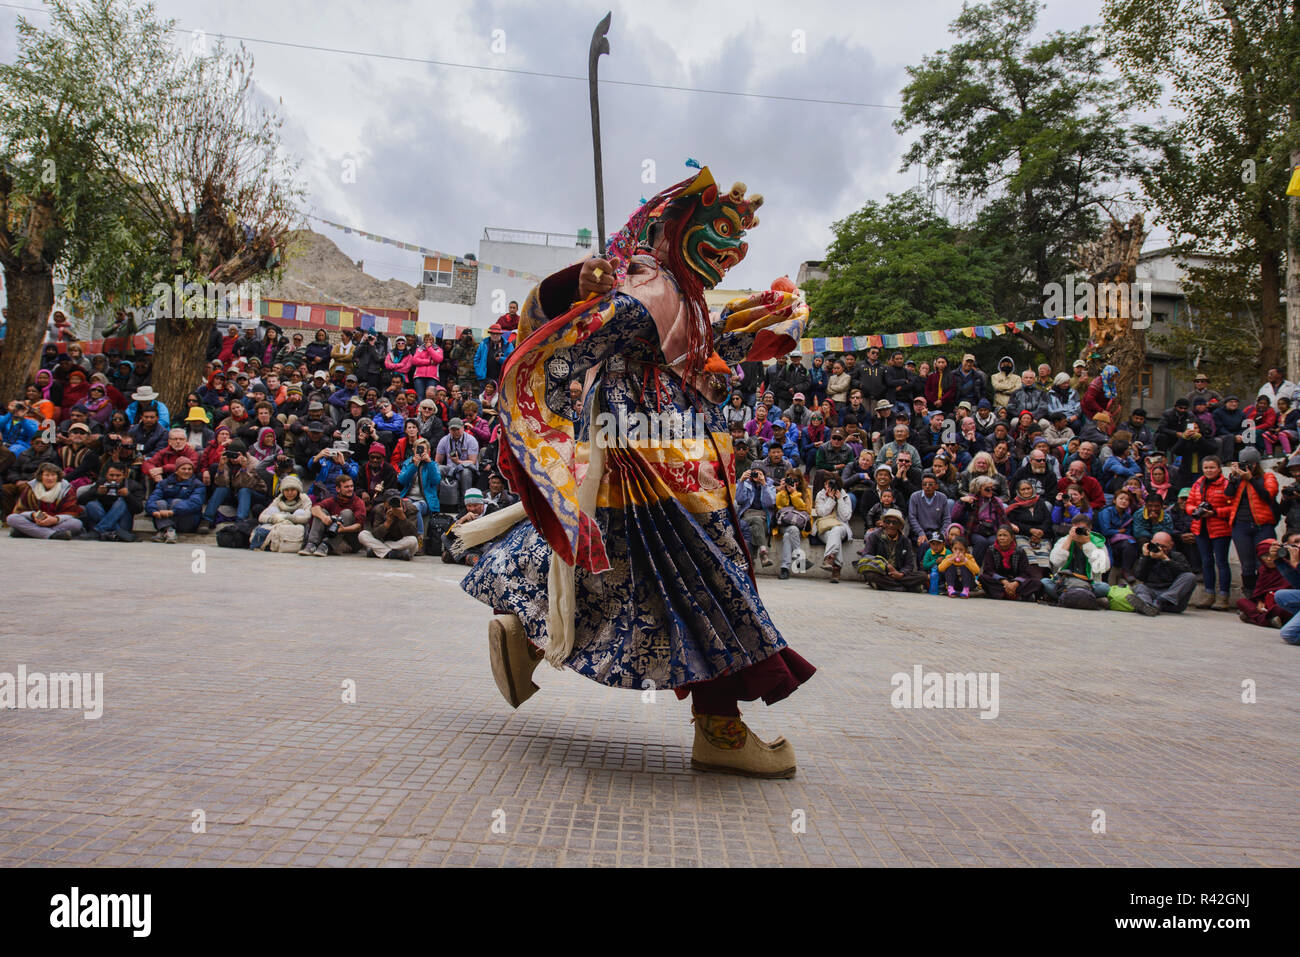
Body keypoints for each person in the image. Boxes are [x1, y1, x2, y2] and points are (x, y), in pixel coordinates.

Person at [454, 168, 814, 778]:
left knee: (629, 568)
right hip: (655, 459)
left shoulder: (679, 293)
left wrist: (757, 320)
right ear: (676, 228)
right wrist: (576, 286)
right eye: (720, 232)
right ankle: (720, 730)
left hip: (664, 456)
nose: (732, 253)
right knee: (709, 579)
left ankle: (529, 632)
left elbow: (687, 349)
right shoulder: (652, 290)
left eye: (739, 242)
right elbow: (559, 333)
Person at [1223, 447, 1279, 600]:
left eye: (1251, 464)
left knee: (1264, 563)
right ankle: (1250, 598)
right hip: (1241, 526)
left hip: (1263, 525)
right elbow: (1227, 495)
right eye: (1244, 464)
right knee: (1247, 565)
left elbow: (1268, 496)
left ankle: (1265, 598)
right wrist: (1233, 478)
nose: (1248, 467)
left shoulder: (1267, 477)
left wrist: (1251, 480)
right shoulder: (1238, 479)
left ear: (1256, 464)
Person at [1184, 456, 1234, 610]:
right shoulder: (1198, 484)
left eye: (1212, 467)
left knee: (1221, 562)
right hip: (1201, 528)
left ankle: (1224, 596)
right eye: (1206, 468)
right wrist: (1196, 511)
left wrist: (1215, 512)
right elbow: (1189, 504)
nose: (1209, 470)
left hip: (1220, 529)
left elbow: (1233, 507)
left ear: (1219, 468)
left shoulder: (1227, 484)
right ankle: (1209, 594)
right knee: (1206, 562)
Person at [1126, 532, 1199, 616]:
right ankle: (1147, 606)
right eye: (1157, 545)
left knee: (1190, 576)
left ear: (1171, 545)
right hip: (1153, 593)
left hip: (1172, 600)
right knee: (1139, 587)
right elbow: (1139, 576)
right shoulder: (1148, 556)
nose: (1160, 548)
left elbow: (1185, 572)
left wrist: (1166, 559)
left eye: (1163, 546)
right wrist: (1145, 558)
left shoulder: (1176, 556)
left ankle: (1158, 602)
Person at [5, 462, 82, 539]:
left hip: (57, 521)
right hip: (35, 520)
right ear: (40, 476)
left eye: (53, 475)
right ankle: (53, 534)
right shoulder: (31, 488)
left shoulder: (67, 489)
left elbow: (71, 513)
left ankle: (30, 533)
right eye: (47, 475)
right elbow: (20, 510)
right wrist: (34, 515)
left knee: (76, 524)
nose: (50, 478)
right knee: (12, 518)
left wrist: (55, 519)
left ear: (58, 476)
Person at [1046, 517, 1111, 607]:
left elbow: (1102, 568)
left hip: (1089, 585)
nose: (1079, 532)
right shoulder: (1064, 540)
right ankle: (1089, 599)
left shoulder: (1097, 542)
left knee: (1104, 587)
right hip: (1065, 584)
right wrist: (1069, 540)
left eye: (1082, 529)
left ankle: (1065, 598)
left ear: (1090, 529)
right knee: (1045, 582)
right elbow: (1056, 562)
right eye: (1076, 529)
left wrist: (1087, 544)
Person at [856, 509, 927, 591]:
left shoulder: (905, 541)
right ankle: (905, 588)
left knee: (923, 576)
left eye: (895, 523)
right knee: (870, 574)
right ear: (883, 523)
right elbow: (866, 557)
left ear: (900, 526)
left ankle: (886, 585)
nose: (891, 525)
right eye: (888, 522)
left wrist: (901, 574)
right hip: (881, 572)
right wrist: (885, 566)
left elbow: (909, 564)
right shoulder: (874, 536)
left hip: (899, 573)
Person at [300, 473, 365, 557]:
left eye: (351, 486)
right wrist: (324, 518)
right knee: (321, 511)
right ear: (338, 489)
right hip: (334, 535)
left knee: (346, 513)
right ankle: (312, 544)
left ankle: (326, 546)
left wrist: (344, 529)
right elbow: (314, 508)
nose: (350, 489)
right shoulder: (333, 500)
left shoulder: (358, 502)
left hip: (351, 539)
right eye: (346, 487)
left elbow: (359, 526)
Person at [78, 461, 143, 541]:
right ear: (106, 475)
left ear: (124, 475)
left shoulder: (133, 486)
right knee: (92, 504)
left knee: (121, 502)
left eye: (118, 475)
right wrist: (96, 493)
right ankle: (117, 533)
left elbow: (139, 509)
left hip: (123, 521)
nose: (114, 478)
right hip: (105, 519)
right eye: (111, 475)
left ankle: (98, 530)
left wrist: (128, 496)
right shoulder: (101, 483)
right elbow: (81, 500)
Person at [146, 458, 205, 542]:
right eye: (183, 469)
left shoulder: (198, 484)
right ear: (176, 471)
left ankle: (163, 530)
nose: (187, 471)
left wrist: (172, 511)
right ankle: (169, 530)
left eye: (190, 469)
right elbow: (152, 498)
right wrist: (153, 511)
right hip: (164, 516)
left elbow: (195, 503)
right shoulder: (164, 483)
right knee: (160, 503)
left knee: (177, 502)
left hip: (187, 520)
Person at [979, 524, 1042, 602]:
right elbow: (989, 570)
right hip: (1000, 582)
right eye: (1000, 535)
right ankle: (1013, 594)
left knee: (1036, 582)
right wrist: (1004, 582)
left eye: (1005, 535)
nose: (1002, 538)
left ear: (1012, 537)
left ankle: (1006, 593)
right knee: (983, 578)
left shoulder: (1020, 551)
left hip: (1016, 582)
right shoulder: (991, 550)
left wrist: (1015, 583)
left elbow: (1025, 572)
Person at [251, 474, 312, 552]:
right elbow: (262, 516)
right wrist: (275, 519)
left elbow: (307, 517)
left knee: (300, 512)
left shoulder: (304, 499)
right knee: (273, 510)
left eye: (293, 490)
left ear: (298, 490)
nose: (290, 493)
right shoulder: (278, 500)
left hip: (294, 529)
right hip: (277, 525)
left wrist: (287, 517)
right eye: (286, 490)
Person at [358, 490, 420, 560]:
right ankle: (395, 554)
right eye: (390, 502)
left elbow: (413, 533)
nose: (392, 505)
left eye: (396, 501)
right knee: (363, 535)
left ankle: (378, 551)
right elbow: (375, 534)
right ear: (385, 504)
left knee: (413, 541)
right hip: (384, 540)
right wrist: (387, 524)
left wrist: (402, 518)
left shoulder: (410, 509)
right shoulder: (379, 509)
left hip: (401, 542)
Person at [813, 476, 853, 583]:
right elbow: (821, 513)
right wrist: (831, 500)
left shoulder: (845, 496)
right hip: (824, 527)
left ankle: (829, 558)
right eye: (826, 483)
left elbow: (846, 517)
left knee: (836, 530)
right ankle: (837, 567)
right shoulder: (821, 495)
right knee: (834, 537)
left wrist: (839, 499)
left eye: (831, 484)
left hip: (841, 527)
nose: (828, 486)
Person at [773, 468, 811, 580]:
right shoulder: (782, 491)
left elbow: (806, 509)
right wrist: (783, 491)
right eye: (790, 479)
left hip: (800, 525)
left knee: (788, 534)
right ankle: (800, 560)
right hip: (782, 524)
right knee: (791, 530)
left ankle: (785, 569)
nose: (792, 482)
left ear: (800, 481)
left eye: (795, 480)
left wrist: (794, 494)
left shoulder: (806, 491)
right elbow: (779, 506)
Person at [735, 465, 775, 565]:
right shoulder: (746, 484)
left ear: (764, 475)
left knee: (753, 529)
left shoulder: (769, 485)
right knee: (756, 522)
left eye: (760, 474)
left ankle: (750, 562)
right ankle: (763, 554)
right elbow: (739, 500)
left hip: (763, 518)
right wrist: (741, 482)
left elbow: (770, 503)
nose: (757, 476)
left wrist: (764, 485)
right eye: (755, 473)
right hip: (746, 516)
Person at [908, 471, 952, 547]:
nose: (927, 486)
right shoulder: (915, 497)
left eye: (930, 484)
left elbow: (947, 519)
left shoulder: (942, 497)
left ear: (936, 486)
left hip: (937, 532)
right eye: (924, 484)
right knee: (923, 544)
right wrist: (920, 533)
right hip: (919, 532)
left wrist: (942, 534)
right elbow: (912, 517)